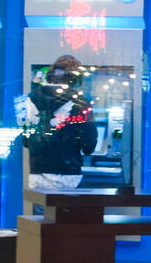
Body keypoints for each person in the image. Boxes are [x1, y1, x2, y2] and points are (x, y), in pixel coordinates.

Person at [20, 55, 97, 192]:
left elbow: (26, 139)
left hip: (37, 173)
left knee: (42, 213)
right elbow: (89, 141)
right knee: (68, 213)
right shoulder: (79, 102)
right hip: (68, 174)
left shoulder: (29, 99)